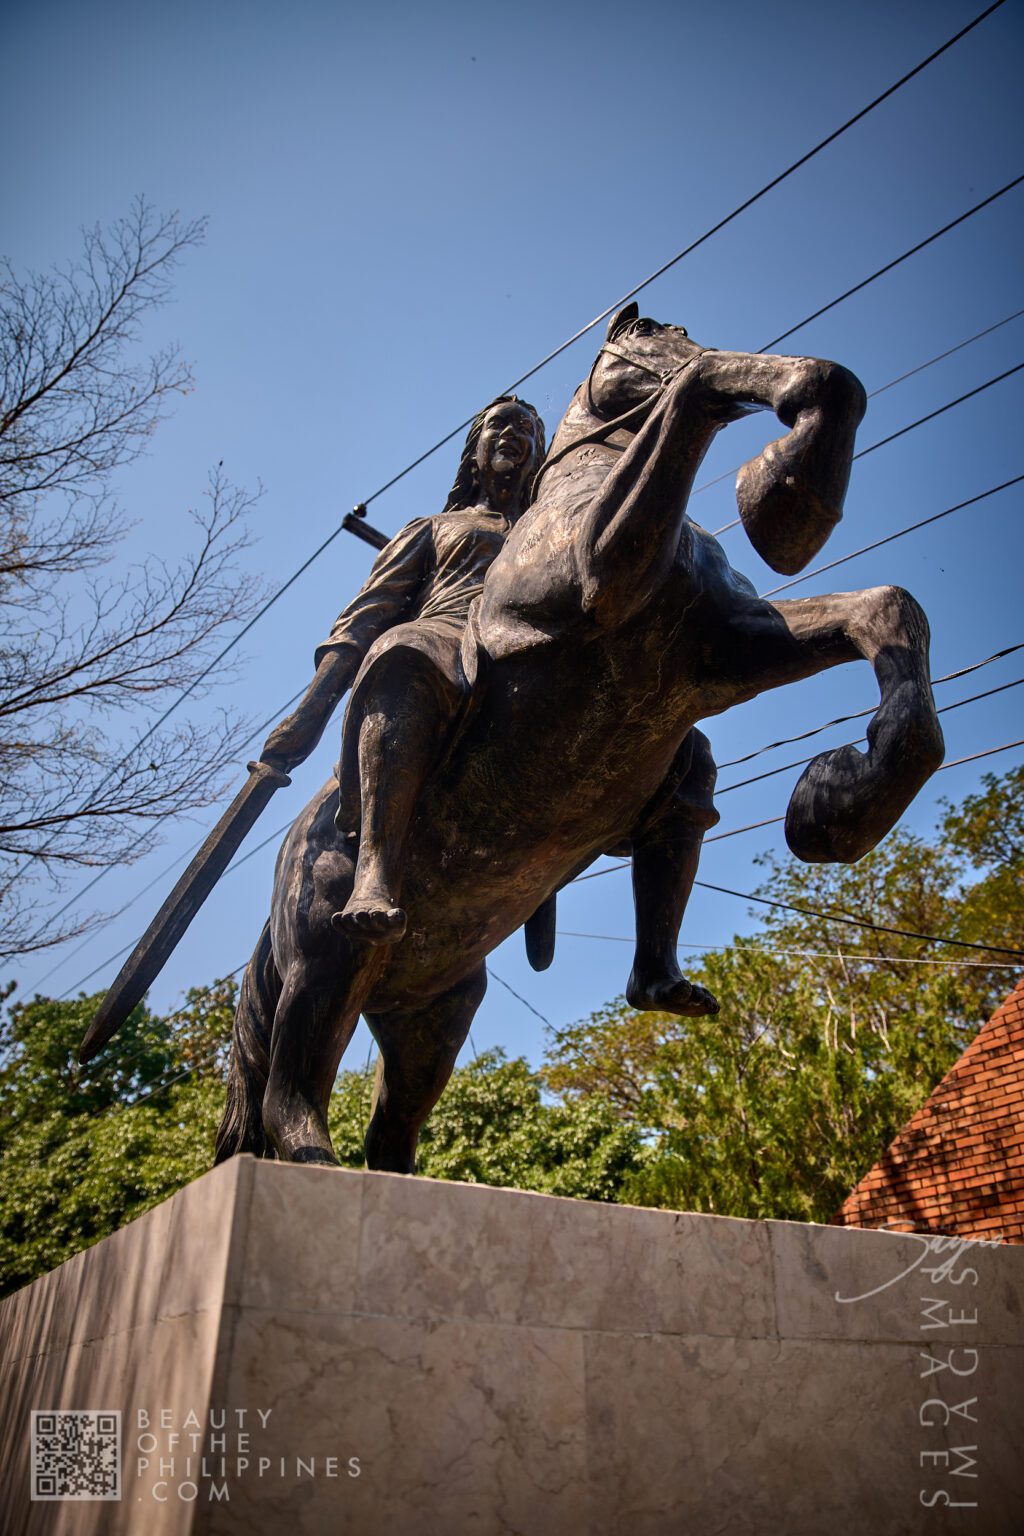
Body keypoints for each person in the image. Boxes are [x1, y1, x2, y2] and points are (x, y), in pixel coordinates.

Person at [262, 395, 546, 943]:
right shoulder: (435, 527)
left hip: (529, 655)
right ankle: (375, 872)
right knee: (402, 650)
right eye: (501, 425)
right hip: (447, 638)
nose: (516, 433)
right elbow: (364, 619)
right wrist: (310, 712)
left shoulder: (556, 534)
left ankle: (653, 955)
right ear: (474, 454)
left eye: (530, 429)